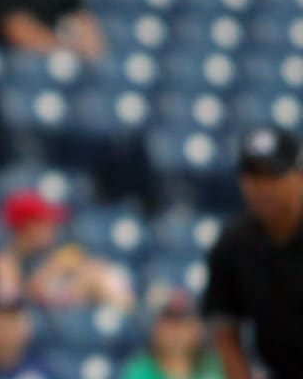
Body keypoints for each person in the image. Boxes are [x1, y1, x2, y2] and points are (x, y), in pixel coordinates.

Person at [201, 126, 303, 379]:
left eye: (273, 175)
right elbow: (224, 327)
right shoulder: (233, 244)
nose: (262, 187)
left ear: (299, 176)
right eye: (253, 176)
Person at [0, 189, 134, 312]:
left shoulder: (47, 255)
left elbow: (125, 304)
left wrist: (83, 281)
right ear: (30, 228)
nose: (54, 229)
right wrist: (53, 270)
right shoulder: (4, 262)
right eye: (47, 223)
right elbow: (14, 305)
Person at [119, 289, 223, 379]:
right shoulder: (139, 371)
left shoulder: (214, 368)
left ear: (197, 328)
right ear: (156, 328)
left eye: (182, 324)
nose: (176, 333)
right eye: (169, 324)